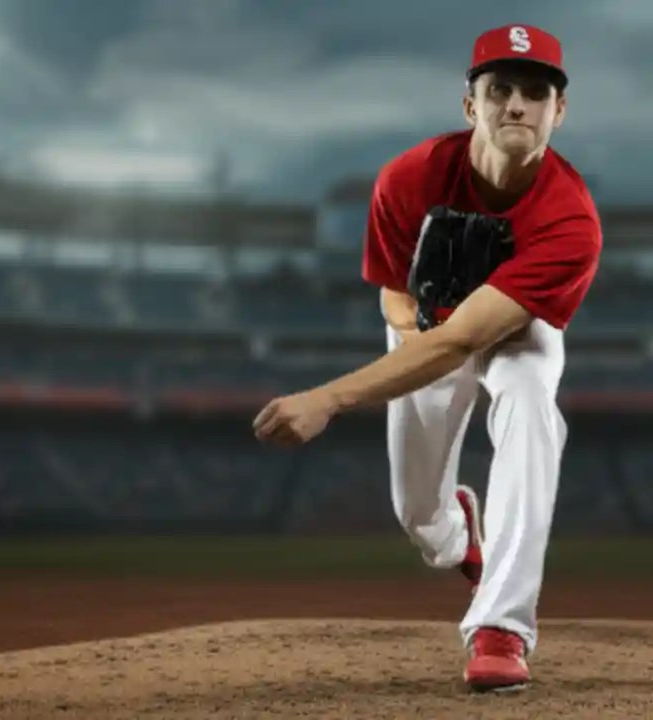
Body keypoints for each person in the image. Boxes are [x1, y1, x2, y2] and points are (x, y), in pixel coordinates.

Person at [254, 23, 602, 693]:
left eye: (536, 92)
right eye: (499, 89)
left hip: (513, 331)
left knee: (532, 406)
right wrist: (419, 327)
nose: (517, 106)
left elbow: (467, 341)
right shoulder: (408, 179)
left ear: (560, 111)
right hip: (425, 322)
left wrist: (326, 397)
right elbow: (394, 299)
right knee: (417, 514)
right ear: (470, 104)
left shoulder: (571, 220)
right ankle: (456, 536)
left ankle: (501, 625)